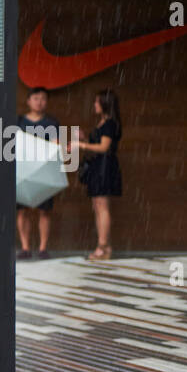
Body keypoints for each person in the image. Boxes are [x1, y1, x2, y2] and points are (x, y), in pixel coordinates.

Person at [75, 88, 122, 260]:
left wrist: (81, 146)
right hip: (97, 166)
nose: (94, 105)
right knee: (97, 206)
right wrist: (84, 139)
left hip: (104, 167)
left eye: (97, 101)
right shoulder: (102, 123)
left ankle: (102, 246)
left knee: (102, 205)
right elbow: (96, 144)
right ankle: (105, 246)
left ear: (105, 103)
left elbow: (104, 147)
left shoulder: (110, 124)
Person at [16, 86, 62, 259]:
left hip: (44, 170)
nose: (39, 102)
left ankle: (43, 248)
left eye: (43, 98)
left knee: (45, 210)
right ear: (28, 101)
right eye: (36, 98)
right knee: (22, 210)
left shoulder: (51, 123)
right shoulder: (18, 121)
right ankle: (25, 247)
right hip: (23, 170)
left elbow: (56, 145)